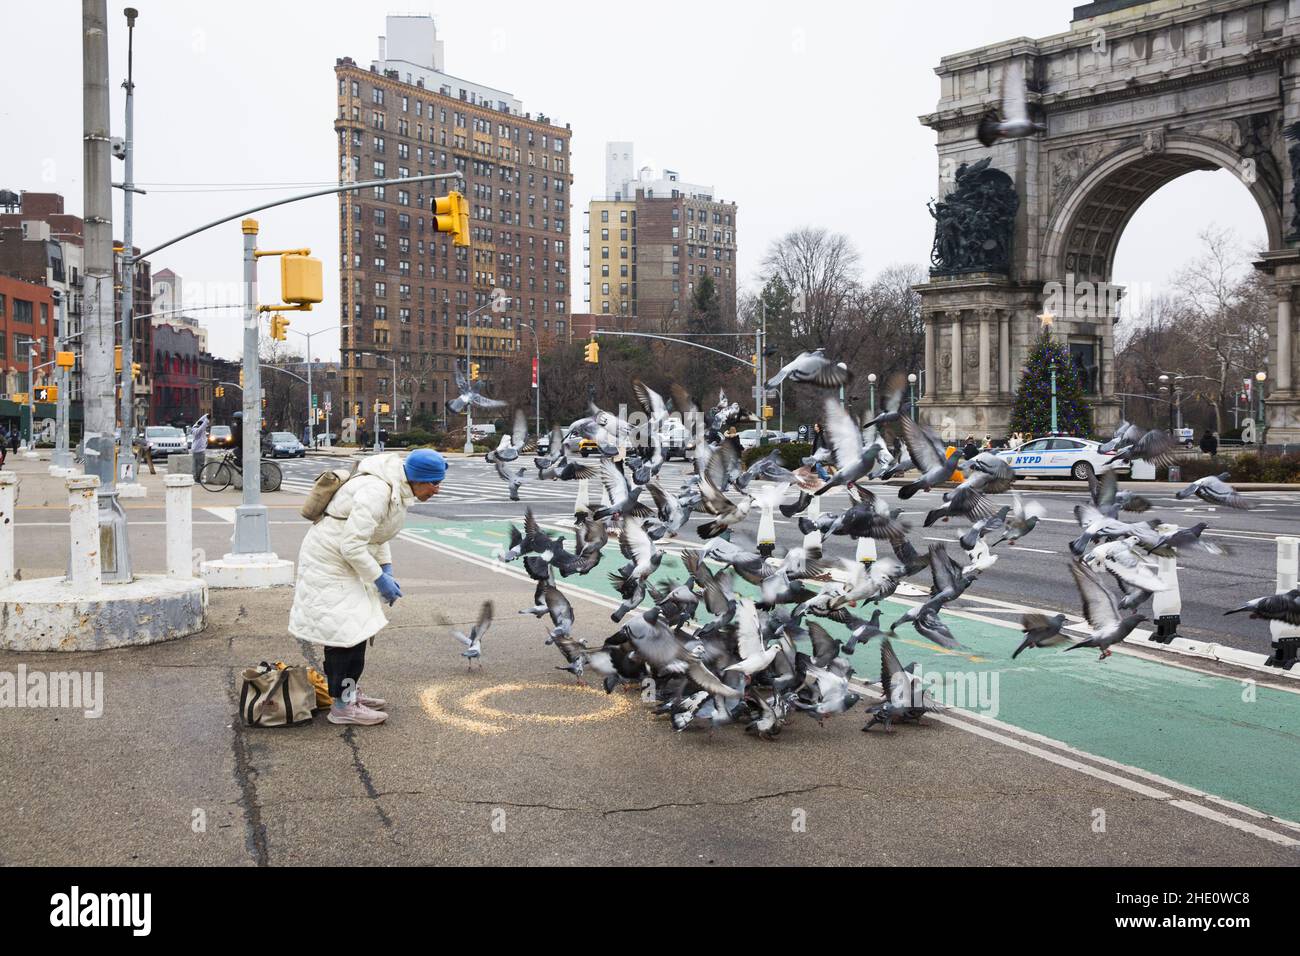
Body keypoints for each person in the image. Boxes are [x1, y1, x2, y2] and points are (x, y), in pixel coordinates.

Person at [289, 448, 446, 726]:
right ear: (419, 479)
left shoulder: (394, 487)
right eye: (434, 483)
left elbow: (376, 533)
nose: (438, 490)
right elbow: (352, 545)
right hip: (330, 561)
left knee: (356, 630)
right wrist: (379, 579)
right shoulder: (376, 491)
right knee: (347, 633)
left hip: (344, 557)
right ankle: (343, 705)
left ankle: (347, 694)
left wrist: (386, 568)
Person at [190, 414, 209, 480]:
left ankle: (195, 478)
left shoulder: (194, 428)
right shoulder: (198, 431)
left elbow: (199, 422)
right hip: (200, 450)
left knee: (195, 465)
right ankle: (198, 479)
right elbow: (202, 427)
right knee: (200, 465)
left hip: (195, 450)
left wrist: (205, 416)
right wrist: (206, 420)